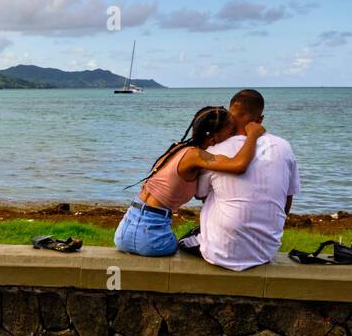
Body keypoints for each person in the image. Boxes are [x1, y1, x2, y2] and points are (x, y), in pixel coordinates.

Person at [114, 105, 265, 257]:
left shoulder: (179, 148)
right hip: (152, 237)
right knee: (195, 241)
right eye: (231, 132)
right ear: (213, 138)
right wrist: (253, 135)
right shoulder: (196, 156)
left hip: (125, 229)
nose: (234, 136)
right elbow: (238, 165)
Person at [184, 89, 300, 271]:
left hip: (220, 252)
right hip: (266, 251)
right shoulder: (284, 147)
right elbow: (287, 198)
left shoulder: (214, 151)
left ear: (229, 115)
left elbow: (200, 195)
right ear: (260, 120)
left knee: (185, 239)